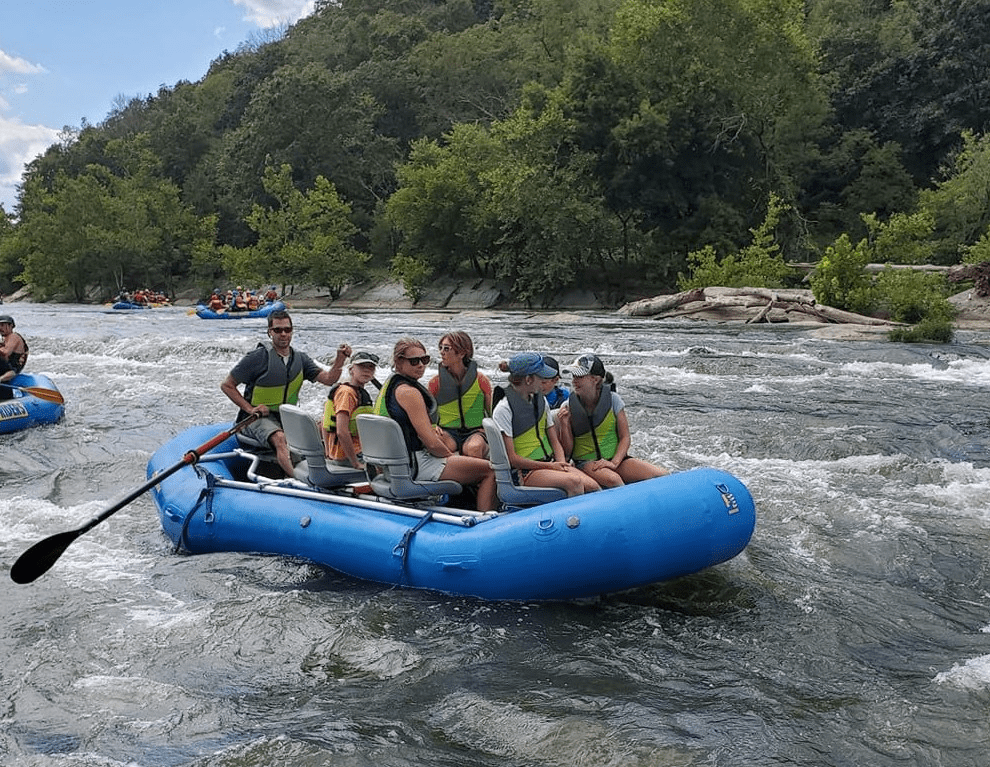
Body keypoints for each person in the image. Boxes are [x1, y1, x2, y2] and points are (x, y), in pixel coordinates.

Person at [220, 309, 350, 477]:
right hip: (256, 418)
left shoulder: (300, 359)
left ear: (292, 332)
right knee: (280, 438)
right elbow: (227, 385)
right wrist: (250, 409)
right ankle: (299, 481)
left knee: (319, 426)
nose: (283, 334)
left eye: (287, 330)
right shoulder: (257, 357)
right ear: (270, 332)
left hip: (286, 417)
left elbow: (329, 379)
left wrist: (339, 360)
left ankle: (326, 471)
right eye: (278, 330)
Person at [376, 337, 496, 511]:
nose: (421, 365)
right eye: (414, 361)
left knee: (470, 454)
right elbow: (431, 443)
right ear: (398, 362)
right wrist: (452, 457)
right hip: (416, 466)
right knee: (490, 470)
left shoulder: (388, 387)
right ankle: (485, 520)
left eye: (425, 360)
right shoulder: (410, 393)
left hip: (393, 467)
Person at [492, 353, 599, 498]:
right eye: (541, 377)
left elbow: (555, 442)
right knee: (574, 482)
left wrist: (561, 464)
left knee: (593, 486)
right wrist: (550, 467)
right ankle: (572, 520)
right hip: (524, 473)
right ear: (529, 380)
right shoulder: (504, 409)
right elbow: (513, 459)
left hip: (549, 464)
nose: (544, 381)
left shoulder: (541, 401)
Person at [558, 354, 669, 488]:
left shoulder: (614, 400)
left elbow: (625, 437)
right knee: (614, 480)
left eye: (580, 377)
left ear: (595, 379)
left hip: (616, 460)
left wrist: (615, 462)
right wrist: (564, 424)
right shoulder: (567, 406)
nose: (574, 381)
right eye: (573, 376)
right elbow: (567, 451)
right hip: (586, 463)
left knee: (662, 475)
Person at [427, 331, 493, 459]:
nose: (441, 352)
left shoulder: (481, 380)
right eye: (440, 348)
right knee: (435, 443)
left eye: (447, 348)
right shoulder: (435, 382)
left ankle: (476, 477)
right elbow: (425, 411)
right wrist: (433, 427)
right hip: (447, 431)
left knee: (474, 448)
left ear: (462, 353)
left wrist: (488, 430)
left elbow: (492, 412)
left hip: (475, 432)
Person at [323, 351, 379, 469]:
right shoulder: (347, 393)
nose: (367, 370)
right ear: (351, 370)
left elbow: (323, 423)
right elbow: (341, 431)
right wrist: (355, 463)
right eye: (362, 366)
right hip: (351, 456)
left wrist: (328, 452)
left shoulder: (357, 392)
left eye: (371, 367)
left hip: (349, 453)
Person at [0, 314, 29, 384]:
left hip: (12, 368)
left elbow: (6, 353)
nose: (0, 328)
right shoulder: (5, 339)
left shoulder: (14, 337)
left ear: (11, 326)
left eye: (2, 325)